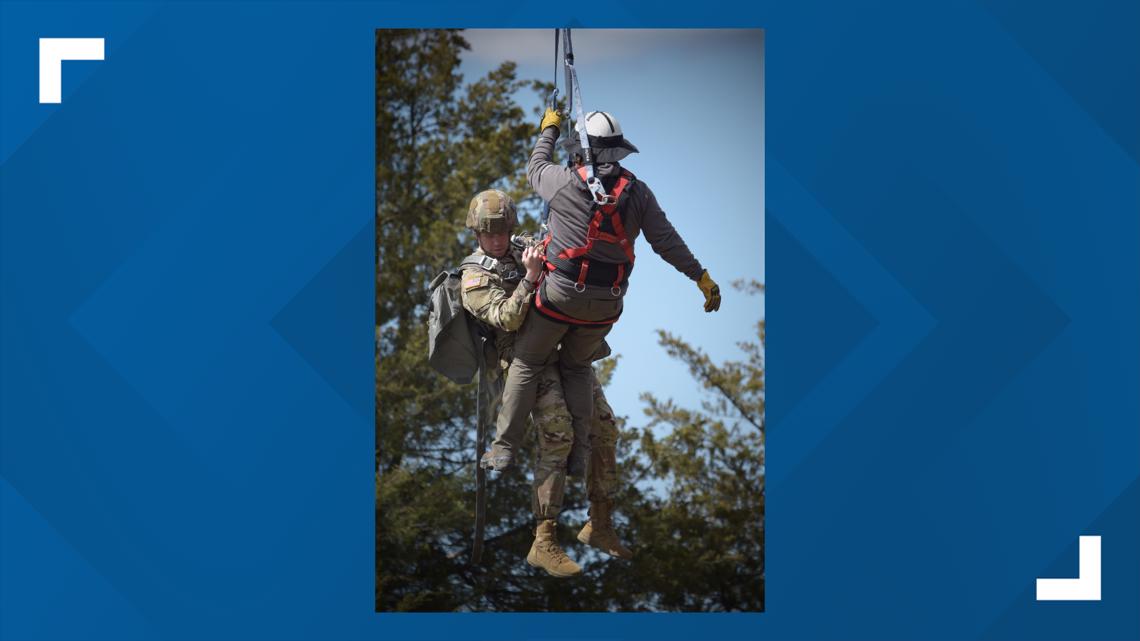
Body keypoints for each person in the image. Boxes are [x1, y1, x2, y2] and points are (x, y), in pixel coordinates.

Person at [483, 108, 722, 477]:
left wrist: (549, 129)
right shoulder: (638, 192)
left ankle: (502, 450)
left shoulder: (562, 182)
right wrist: (700, 276)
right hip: (606, 306)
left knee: (527, 363)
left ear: (579, 150)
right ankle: (580, 454)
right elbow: (666, 241)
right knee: (577, 366)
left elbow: (535, 166)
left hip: (559, 299)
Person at [459, 189, 631, 578]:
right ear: (476, 234)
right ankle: (544, 540)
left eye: (502, 231)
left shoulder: (526, 246)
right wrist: (531, 278)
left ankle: (600, 523)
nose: (498, 239)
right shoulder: (473, 275)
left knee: (604, 427)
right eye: (490, 233)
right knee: (558, 434)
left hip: (565, 351)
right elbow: (505, 318)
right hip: (525, 361)